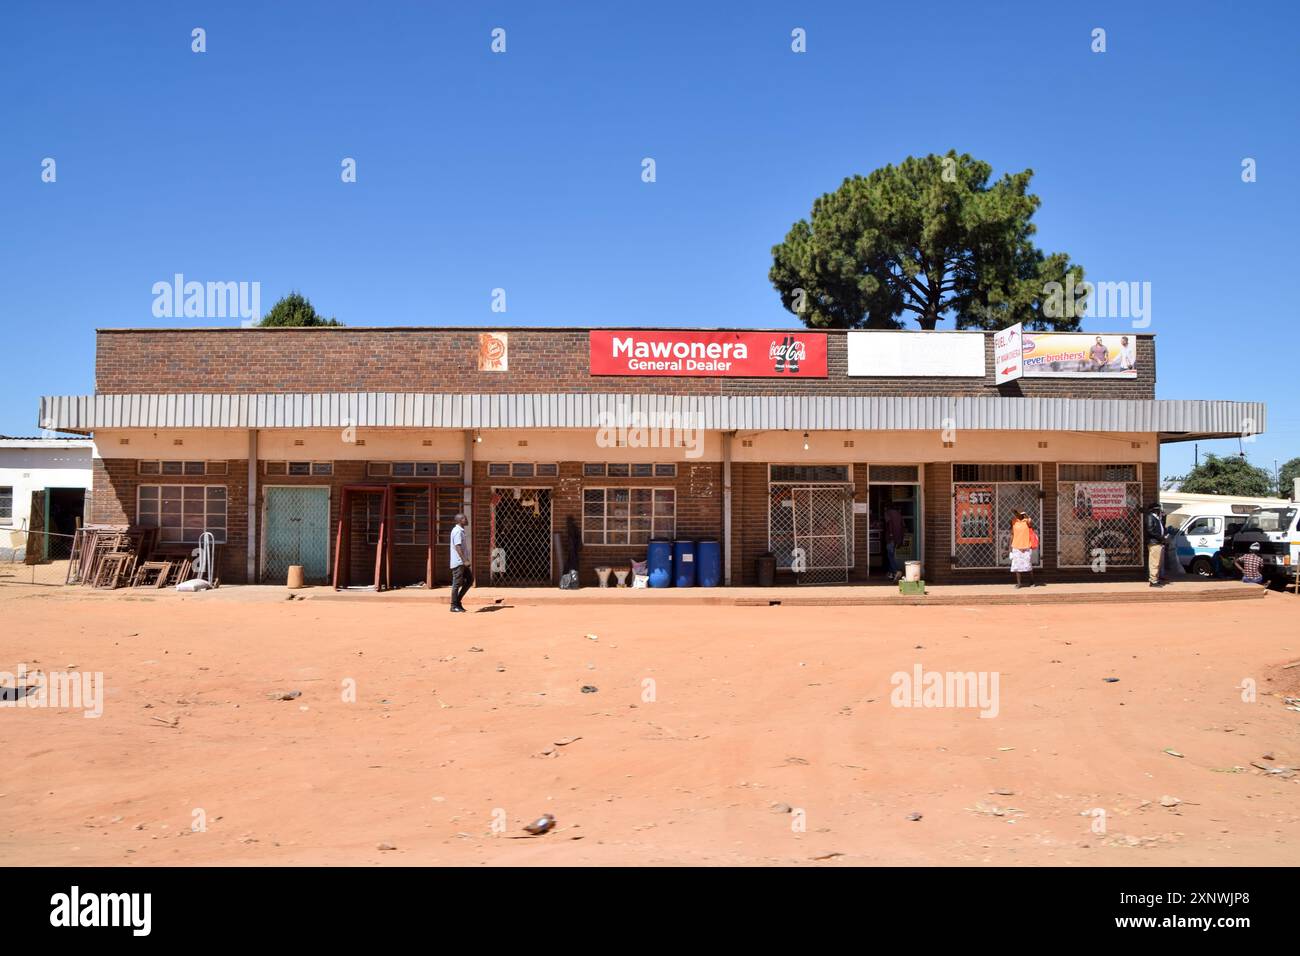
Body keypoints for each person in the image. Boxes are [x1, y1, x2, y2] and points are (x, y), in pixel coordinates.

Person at [449, 512, 473, 612]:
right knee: (456, 584)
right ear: (460, 520)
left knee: (470, 580)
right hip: (459, 562)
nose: (466, 520)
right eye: (464, 518)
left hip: (461, 562)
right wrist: (465, 560)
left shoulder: (460, 531)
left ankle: (457, 602)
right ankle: (453, 605)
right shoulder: (457, 531)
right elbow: (457, 547)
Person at [1009, 509, 1037, 588]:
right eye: (1015, 514)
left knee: (1028, 565)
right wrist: (1010, 548)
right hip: (1016, 546)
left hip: (1026, 546)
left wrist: (1026, 516)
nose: (1016, 515)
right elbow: (1012, 534)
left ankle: (1032, 581)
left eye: (1017, 513)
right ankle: (1019, 583)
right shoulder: (1013, 522)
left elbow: (1031, 527)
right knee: (1017, 566)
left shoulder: (1027, 521)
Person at [1144, 503, 1167, 587]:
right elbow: (1150, 530)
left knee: (1156, 562)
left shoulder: (1157, 518)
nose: (1159, 511)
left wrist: (1164, 517)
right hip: (1154, 542)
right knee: (1154, 562)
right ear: (1154, 510)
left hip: (1157, 542)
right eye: (1158, 509)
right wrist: (1160, 537)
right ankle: (1153, 581)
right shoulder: (1150, 517)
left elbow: (1162, 527)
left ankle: (1155, 579)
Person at [883, 504, 906, 582]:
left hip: (891, 539)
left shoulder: (887, 513)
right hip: (898, 538)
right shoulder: (899, 514)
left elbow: (889, 524)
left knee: (890, 556)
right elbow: (903, 527)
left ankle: (896, 571)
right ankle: (891, 574)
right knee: (891, 555)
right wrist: (901, 539)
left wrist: (890, 535)